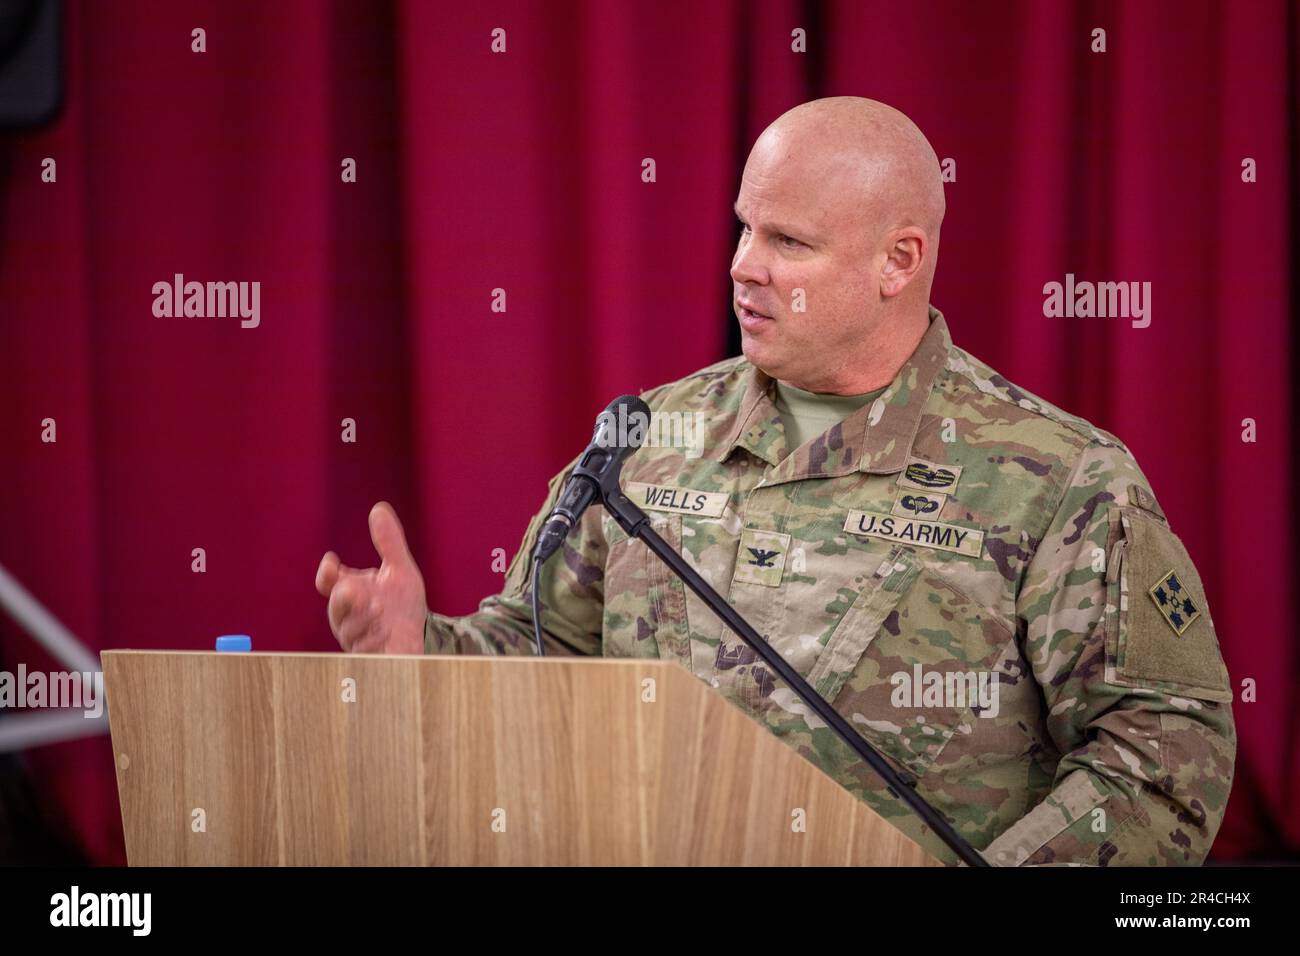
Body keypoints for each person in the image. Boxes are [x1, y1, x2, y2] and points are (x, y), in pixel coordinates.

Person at [315, 97, 1235, 866]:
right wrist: (421, 652)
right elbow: (542, 654)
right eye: (745, 227)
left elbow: (1162, 760)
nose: (743, 266)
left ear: (898, 261)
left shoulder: (1062, 479)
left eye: (789, 241)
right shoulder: (646, 436)